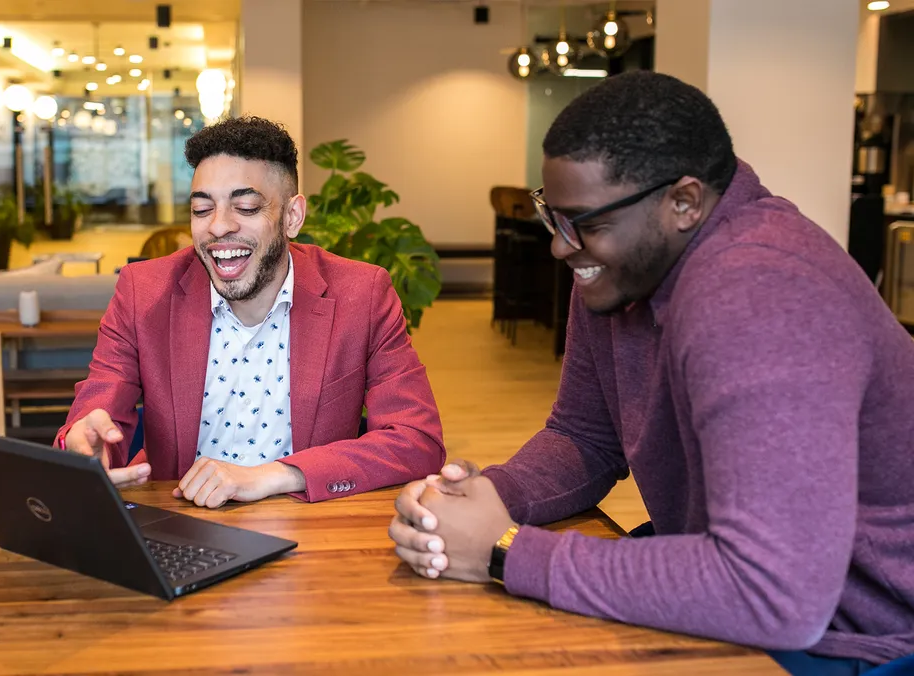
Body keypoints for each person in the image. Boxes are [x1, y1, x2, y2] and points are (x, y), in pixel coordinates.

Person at [388, 71, 914, 674]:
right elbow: (583, 436)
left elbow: (775, 596)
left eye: (586, 222)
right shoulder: (623, 267)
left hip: (861, 639)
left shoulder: (759, 295)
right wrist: (475, 505)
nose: (561, 247)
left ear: (684, 203)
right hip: (744, 591)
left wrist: (505, 551)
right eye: (552, 216)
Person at [58, 115, 445, 508]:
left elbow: (416, 439)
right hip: (180, 520)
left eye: (244, 207)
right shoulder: (143, 291)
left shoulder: (362, 295)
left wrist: (274, 476)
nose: (219, 227)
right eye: (202, 209)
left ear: (292, 217)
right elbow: (98, 407)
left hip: (310, 527)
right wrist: (86, 442)